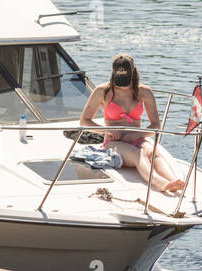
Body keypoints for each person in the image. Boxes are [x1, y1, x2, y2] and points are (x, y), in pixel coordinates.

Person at [78, 54, 186, 194]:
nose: (122, 85)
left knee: (154, 152)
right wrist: (106, 131)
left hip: (137, 139)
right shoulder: (102, 91)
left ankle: (175, 181)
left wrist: (137, 134)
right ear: (113, 74)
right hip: (113, 142)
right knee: (138, 155)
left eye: (125, 81)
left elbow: (155, 125)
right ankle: (160, 183)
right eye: (119, 81)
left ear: (133, 73)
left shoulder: (145, 92)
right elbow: (84, 121)